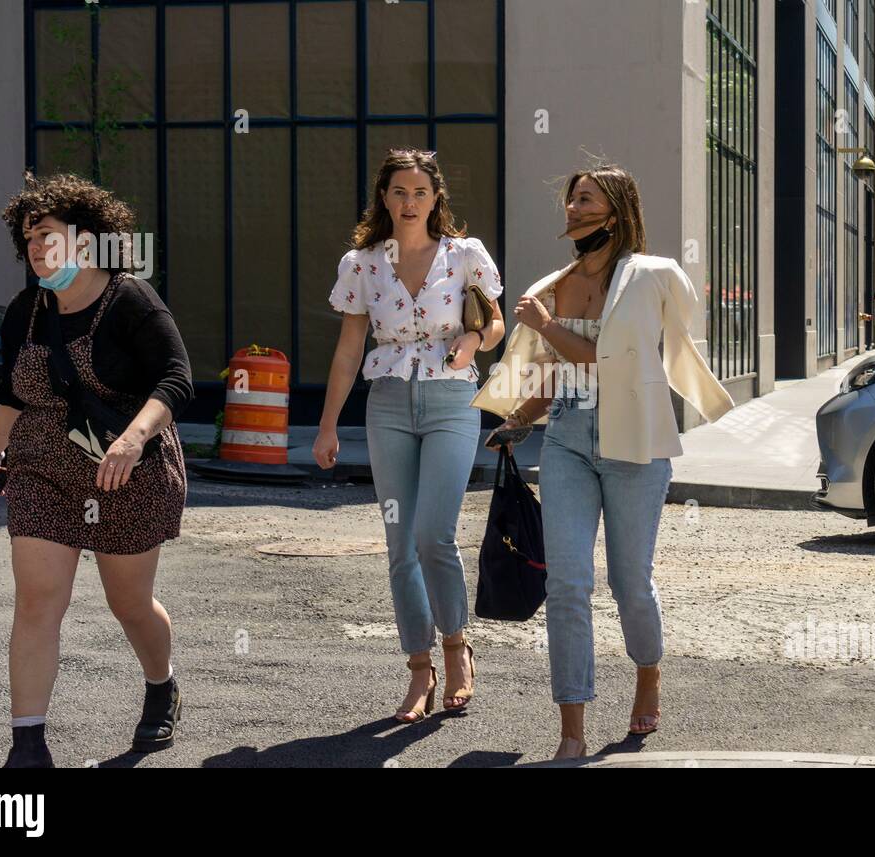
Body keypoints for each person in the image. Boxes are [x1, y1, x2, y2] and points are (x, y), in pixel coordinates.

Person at [472, 163, 735, 761]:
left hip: (634, 442)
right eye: (569, 200)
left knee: (629, 583)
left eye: (584, 200)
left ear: (613, 213)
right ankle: (572, 729)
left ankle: (648, 675)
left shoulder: (651, 276)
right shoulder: (554, 284)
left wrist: (545, 325)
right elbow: (554, 370)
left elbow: (610, 363)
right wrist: (518, 420)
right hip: (566, 435)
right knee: (567, 584)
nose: (571, 210)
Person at [0, 173, 193, 767]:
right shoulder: (26, 310)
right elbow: (10, 391)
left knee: (129, 605)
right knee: (37, 601)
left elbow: (177, 380)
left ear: (87, 238)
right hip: (41, 470)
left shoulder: (131, 299)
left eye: (48, 234)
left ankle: (161, 686)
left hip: (125, 471)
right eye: (29, 239)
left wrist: (132, 438)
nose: (37, 248)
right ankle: (28, 744)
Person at [313, 149, 505, 723]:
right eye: (399, 192)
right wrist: (327, 426)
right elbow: (350, 351)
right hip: (389, 404)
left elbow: (495, 322)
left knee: (433, 536)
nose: (409, 202)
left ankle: (456, 649)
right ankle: (418, 669)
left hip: (451, 401)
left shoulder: (464, 255)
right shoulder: (364, 263)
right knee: (399, 545)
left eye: (419, 192)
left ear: (435, 197)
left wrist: (472, 343)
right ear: (384, 197)